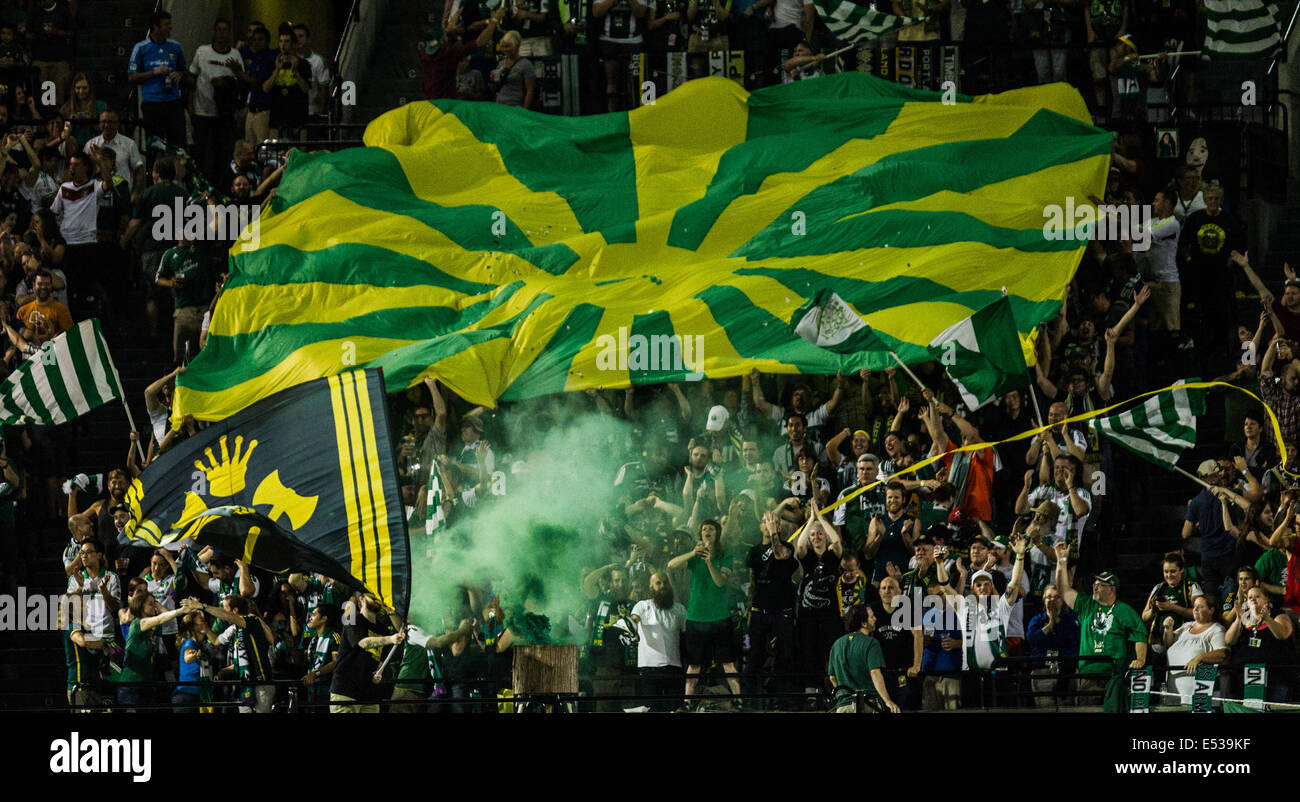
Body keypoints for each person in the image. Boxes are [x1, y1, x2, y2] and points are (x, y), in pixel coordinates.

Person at [1053, 543, 1146, 712]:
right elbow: (1063, 589)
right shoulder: (1086, 604)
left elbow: (1139, 635)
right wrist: (1061, 561)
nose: (1095, 586)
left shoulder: (1124, 610)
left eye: (1101, 584)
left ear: (1112, 589)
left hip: (1114, 677)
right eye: (1095, 583)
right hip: (1088, 674)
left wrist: (1140, 659)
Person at [667, 518, 742, 710]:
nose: (707, 531)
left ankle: (738, 701)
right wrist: (693, 553)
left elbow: (720, 582)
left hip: (719, 618)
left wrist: (709, 562)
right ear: (700, 534)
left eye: (711, 529)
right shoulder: (694, 557)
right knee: (694, 665)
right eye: (704, 529)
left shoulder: (724, 557)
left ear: (717, 534)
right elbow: (671, 565)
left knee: (728, 664)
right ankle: (687, 702)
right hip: (696, 618)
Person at [746, 510, 796, 706]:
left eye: (774, 522)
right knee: (755, 656)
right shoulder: (754, 551)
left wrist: (775, 533)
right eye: (766, 521)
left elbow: (779, 554)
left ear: (779, 527)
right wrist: (751, 609)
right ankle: (751, 700)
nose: (770, 524)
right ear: (760, 526)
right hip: (760, 611)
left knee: (785, 657)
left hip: (782, 611)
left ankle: (784, 701)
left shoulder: (787, 547)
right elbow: (752, 581)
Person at [116, 595, 201, 709]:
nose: (154, 606)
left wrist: (192, 608)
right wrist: (181, 610)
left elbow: (167, 617)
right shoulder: (138, 623)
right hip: (131, 686)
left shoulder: (153, 628)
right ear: (141, 607)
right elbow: (161, 618)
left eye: (154, 603)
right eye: (150, 604)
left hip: (146, 685)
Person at [794, 504, 843, 704]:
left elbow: (837, 540)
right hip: (808, 615)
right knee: (809, 652)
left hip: (830, 614)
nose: (816, 537)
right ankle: (812, 693)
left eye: (820, 534)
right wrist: (811, 521)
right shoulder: (808, 558)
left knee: (831, 651)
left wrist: (821, 519)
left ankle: (835, 690)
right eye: (813, 535)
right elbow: (799, 545)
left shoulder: (832, 555)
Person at [329, 592, 404, 713]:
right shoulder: (352, 620)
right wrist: (390, 639)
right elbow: (364, 642)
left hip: (369, 694)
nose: (377, 599)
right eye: (373, 596)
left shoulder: (383, 629)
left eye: (378, 597)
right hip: (346, 691)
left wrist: (378, 674)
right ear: (362, 599)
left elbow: (379, 662)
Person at [127, 11, 188, 150]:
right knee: (155, 146)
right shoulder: (141, 47)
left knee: (178, 145)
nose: (170, 27)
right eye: (166, 24)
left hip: (174, 102)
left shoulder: (175, 46)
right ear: (155, 27)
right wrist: (154, 72)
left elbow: (184, 70)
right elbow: (131, 77)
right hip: (152, 104)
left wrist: (180, 74)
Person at [1224, 586, 1294, 704]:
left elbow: (1282, 634)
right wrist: (1238, 619)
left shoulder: (1278, 615)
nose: (1253, 600)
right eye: (1250, 597)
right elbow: (1229, 640)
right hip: (1245, 679)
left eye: (1257, 596)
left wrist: (1267, 619)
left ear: (1266, 599)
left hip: (1274, 677)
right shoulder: (1244, 618)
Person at [629, 571, 687, 711]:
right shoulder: (643, 606)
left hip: (674, 668)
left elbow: (687, 634)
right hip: (650, 670)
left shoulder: (679, 609)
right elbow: (633, 621)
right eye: (658, 583)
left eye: (665, 582)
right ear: (651, 588)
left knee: (674, 708)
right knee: (651, 709)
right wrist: (630, 629)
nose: (662, 586)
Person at [826, 604, 901, 712]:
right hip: (867, 705)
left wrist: (844, 696)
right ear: (863, 623)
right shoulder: (871, 643)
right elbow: (875, 673)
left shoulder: (837, 644)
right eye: (872, 617)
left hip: (843, 707)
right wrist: (887, 700)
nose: (875, 619)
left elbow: (832, 677)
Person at [1162, 595, 1227, 706]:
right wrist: (1168, 629)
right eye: (1194, 607)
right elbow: (1168, 645)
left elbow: (1222, 654)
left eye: (1200, 607)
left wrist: (1200, 657)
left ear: (1211, 610)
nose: (1195, 609)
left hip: (1199, 695)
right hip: (1174, 693)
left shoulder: (1217, 629)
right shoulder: (1186, 626)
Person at [1026, 583, 1080, 707]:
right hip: (1043, 671)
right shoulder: (1037, 620)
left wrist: (1058, 622)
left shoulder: (1070, 620)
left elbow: (1074, 643)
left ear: (1062, 601)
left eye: (1057, 597)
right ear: (1043, 600)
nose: (1053, 600)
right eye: (1049, 597)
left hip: (1066, 672)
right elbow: (1032, 640)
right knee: (1046, 708)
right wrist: (1049, 625)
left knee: (1067, 708)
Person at [264, 28, 312, 140]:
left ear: (294, 44)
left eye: (287, 41)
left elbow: (305, 89)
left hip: (297, 120)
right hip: (277, 120)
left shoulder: (304, 64)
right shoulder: (272, 64)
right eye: (281, 41)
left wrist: (295, 71)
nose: (283, 45)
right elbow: (265, 88)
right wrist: (276, 70)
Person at [491, 31, 537, 108]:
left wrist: (524, 111)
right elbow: (495, 89)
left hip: (516, 106)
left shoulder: (526, 64)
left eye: (508, 46)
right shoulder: (501, 64)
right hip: (500, 105)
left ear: (517, 46)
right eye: (503, 46)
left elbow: (530, 90)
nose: (505, 49)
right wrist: (493, 81)